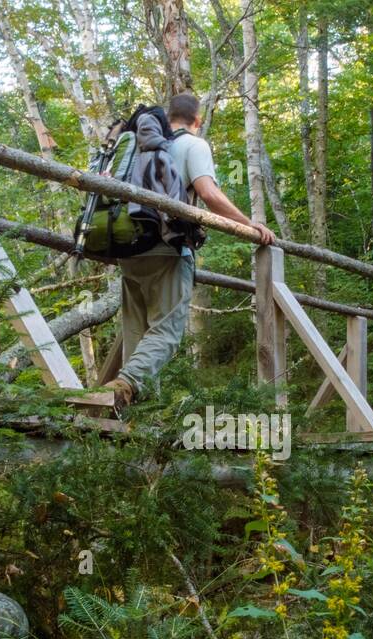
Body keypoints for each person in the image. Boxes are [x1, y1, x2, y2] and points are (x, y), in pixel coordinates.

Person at [105, 92, 276, 410]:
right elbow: (209, 194)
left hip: (128, 249)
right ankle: (125, 385)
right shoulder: (193, 145)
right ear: (197, 121)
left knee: (137, 335)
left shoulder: (141, 145)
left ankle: (134, 416)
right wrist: (250, 226)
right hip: (167, 249)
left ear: (169, 117)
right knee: (167, 333)